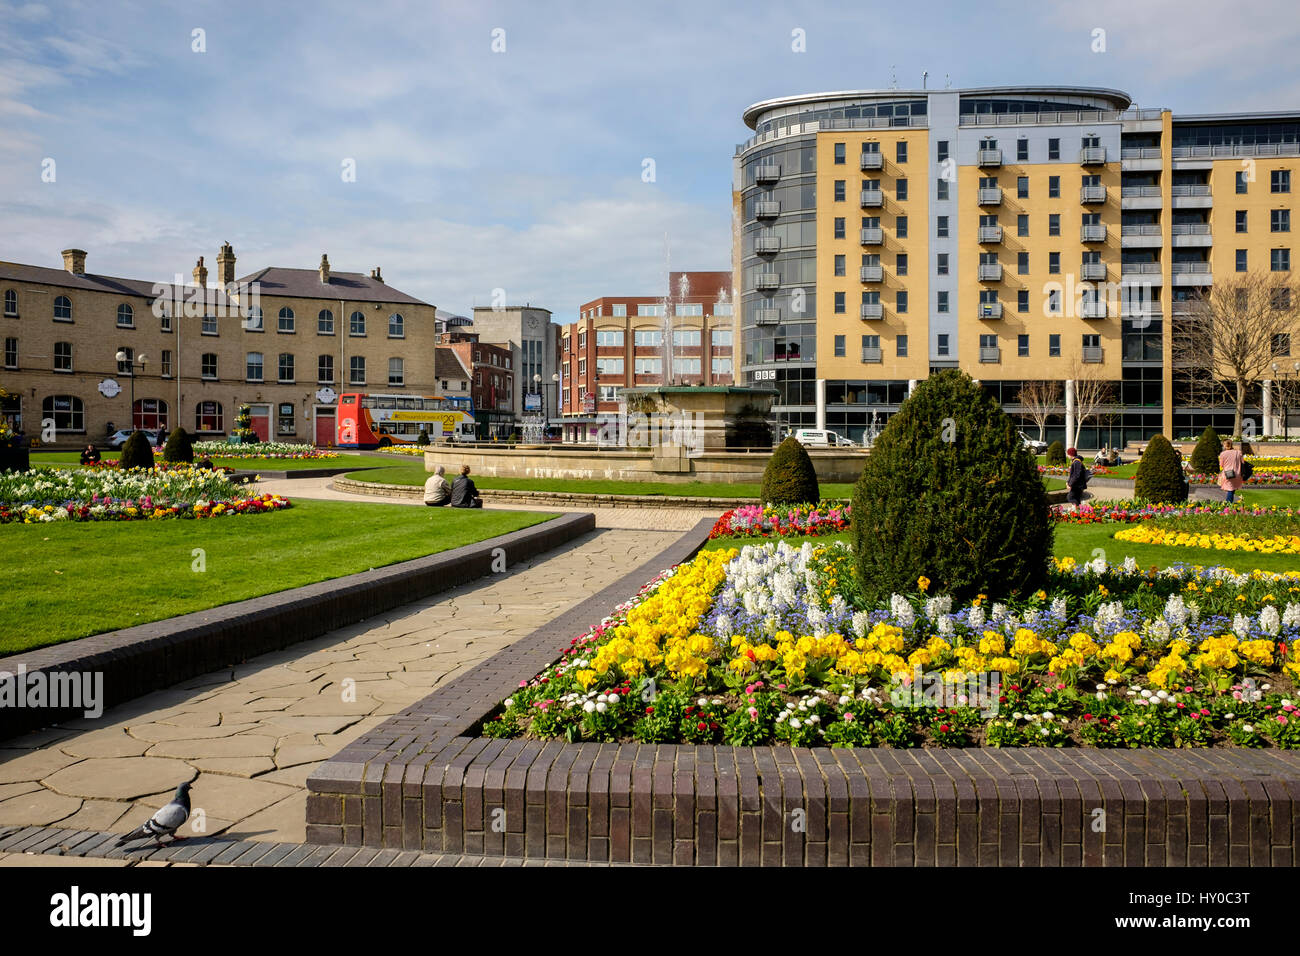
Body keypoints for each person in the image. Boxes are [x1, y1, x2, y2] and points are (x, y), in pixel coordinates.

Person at [1218, 438, 1245, 504]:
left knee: (1230, 489)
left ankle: (1228, 504)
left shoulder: (1223, 454)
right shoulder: (1238, 452)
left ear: (1224, 445)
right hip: (1237, 473)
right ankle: (1229, 503)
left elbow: (1221, 465)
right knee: (1232, 489)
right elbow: (1243, 462)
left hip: (1228, 474)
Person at [1065, 446, 1090, 511]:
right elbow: (1073, 475)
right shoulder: (1076, 461)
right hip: (1078, 484)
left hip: (1078, 485)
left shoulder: (1077, 462)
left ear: (1071, 454)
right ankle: (1079, 510)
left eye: (1068, 454)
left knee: (1070, 497)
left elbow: (1076, 475)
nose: (1067, 455)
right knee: (1076, 498)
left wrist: (1070, 484)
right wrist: (1068, 482)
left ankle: (1077, 509)